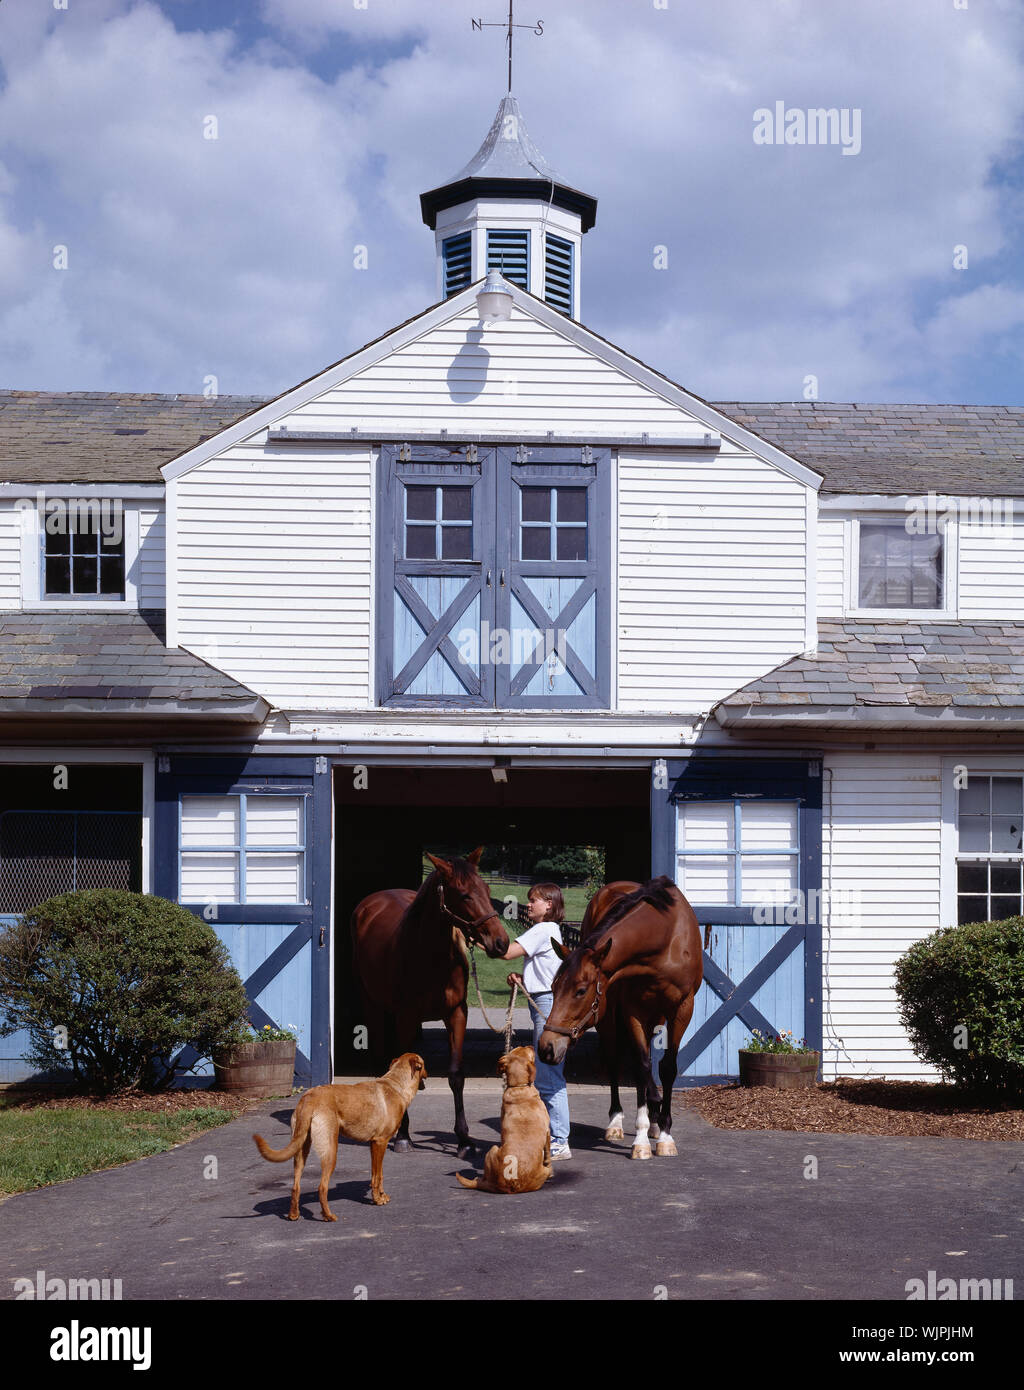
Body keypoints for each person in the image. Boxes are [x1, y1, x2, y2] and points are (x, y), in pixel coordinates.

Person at [497, 882, 571, 1159]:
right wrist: (522, 977)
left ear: (549, 904)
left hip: (545, 1004)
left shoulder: (543, 930)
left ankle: (561, 1140)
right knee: (548, 1073)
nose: (528, 904)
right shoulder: (550, 931)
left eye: (534, 900)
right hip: (541, 999)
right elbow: (544, 972)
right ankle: (555, 1136)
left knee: (549, 1075)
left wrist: (477, 936)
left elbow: (504, 951)